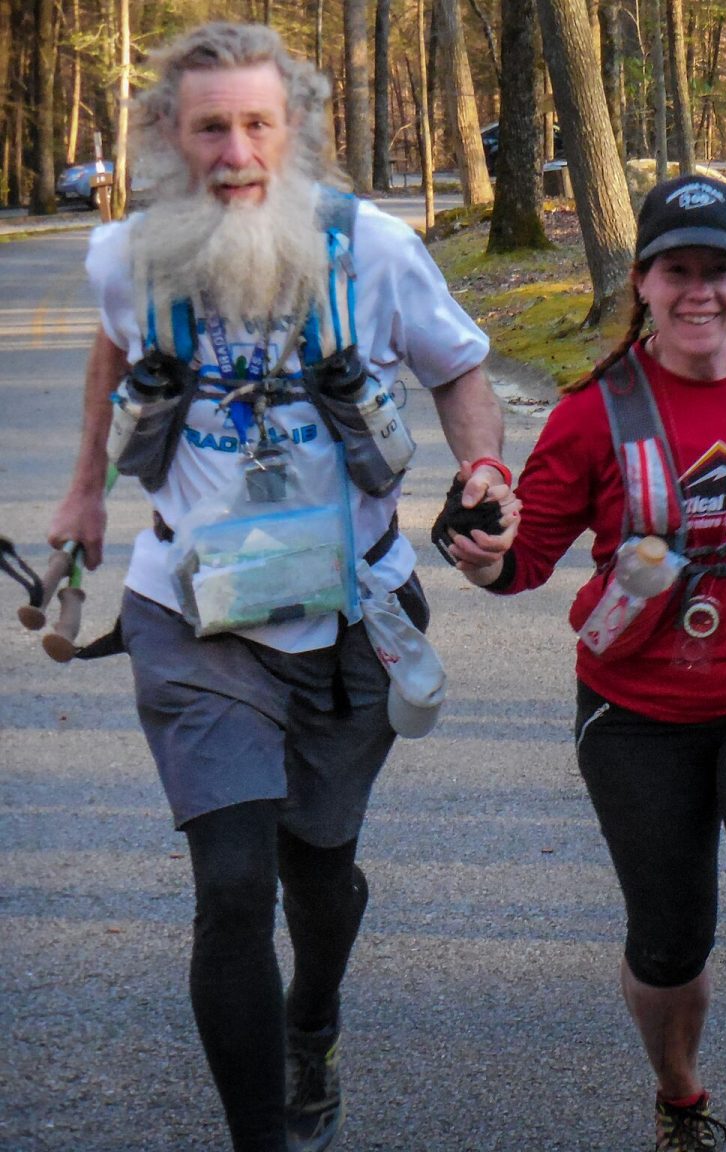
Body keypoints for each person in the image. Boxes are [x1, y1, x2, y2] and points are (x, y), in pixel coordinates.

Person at [46, 23, 512, 1152]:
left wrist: (488, 468)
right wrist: (83, 496)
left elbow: (457, 368)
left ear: (294, 132)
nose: (236, 150)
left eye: (258, 124)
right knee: (232, 884)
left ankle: (313, 1021)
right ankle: (265, 1137)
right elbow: (112, 348)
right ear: (170, 135)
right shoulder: (126, 257)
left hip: (352, 613)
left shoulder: (378, 253)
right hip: (192, 611)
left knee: (320, 874)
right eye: (210, 125)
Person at [452, 174, 726, 1152]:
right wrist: (482, 558)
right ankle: (680, 1092)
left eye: (719, 270)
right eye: (677, 270)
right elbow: (523, 562)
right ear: (642, 281)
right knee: (669, 944)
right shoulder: (591, 412)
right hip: (636, 710)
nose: (701, 292)